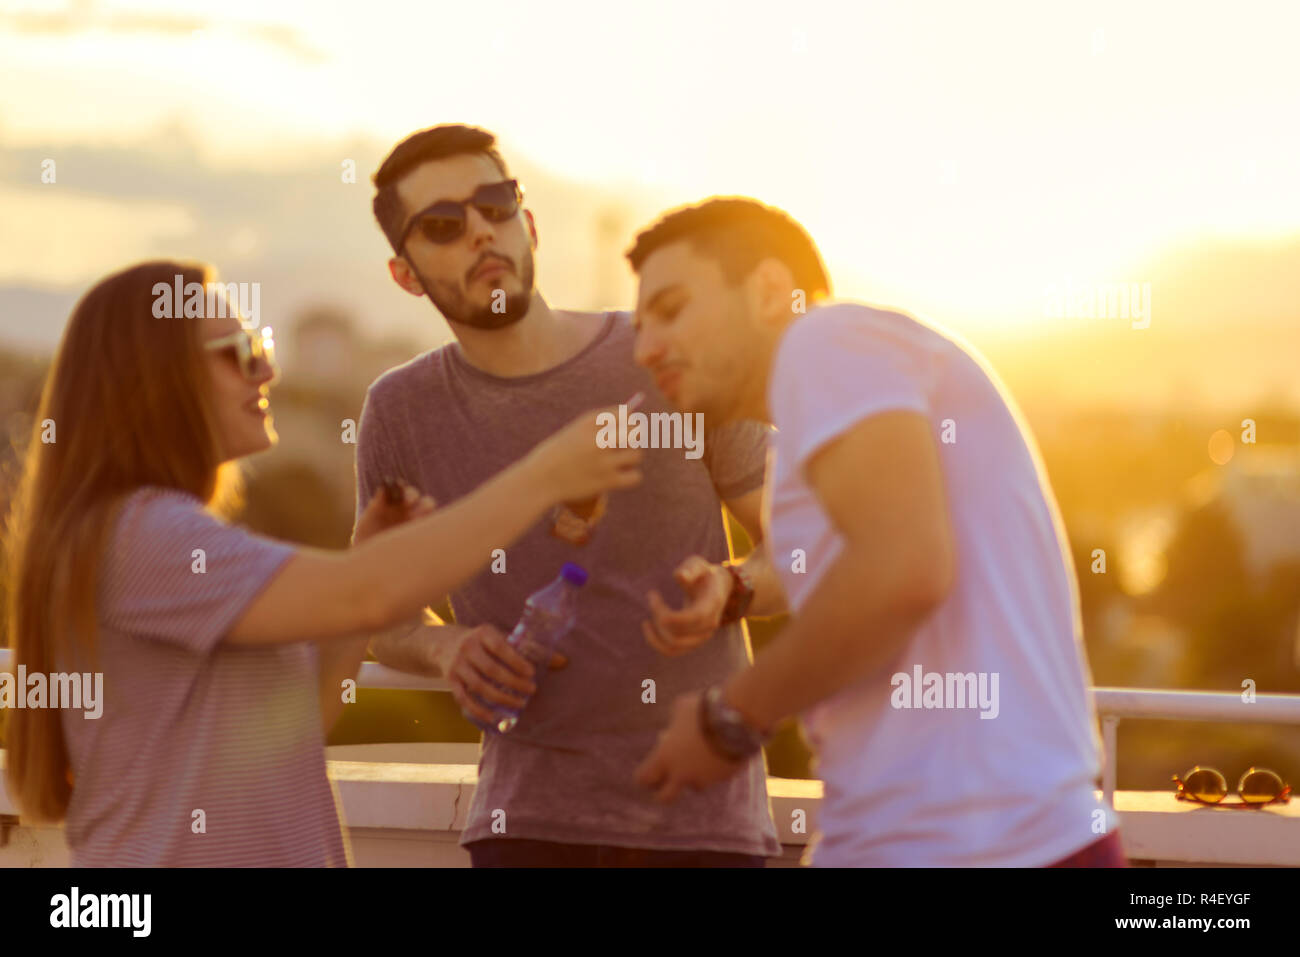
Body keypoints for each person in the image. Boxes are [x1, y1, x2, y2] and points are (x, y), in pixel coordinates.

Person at [2, 259, 637, 866]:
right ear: (155, 380)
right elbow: (362, 595)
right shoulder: (143, 535)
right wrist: (545, 475)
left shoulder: (152, 533)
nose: (267, 371)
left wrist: (367, 561)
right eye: (241, 353)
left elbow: (296, 720)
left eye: (264, 346)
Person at [628, 198, 1125, 867]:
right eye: (638, 325)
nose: (645, 347)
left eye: (671, 308)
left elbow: (904, 570)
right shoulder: (811, 441)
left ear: (772, 291)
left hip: (993, 846)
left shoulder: (825, 341)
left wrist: (729, 717)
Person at [358, 125, 783, 866]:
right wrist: (443, 645)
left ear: (528, 223)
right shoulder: (400, 410)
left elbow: (811, 548)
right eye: (443, 225)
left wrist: (732, 588)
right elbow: (375, 604)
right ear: (405, 273)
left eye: (494, 203)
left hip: (704, 824)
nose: (479, 231)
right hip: (523, 829)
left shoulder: (666, 354)